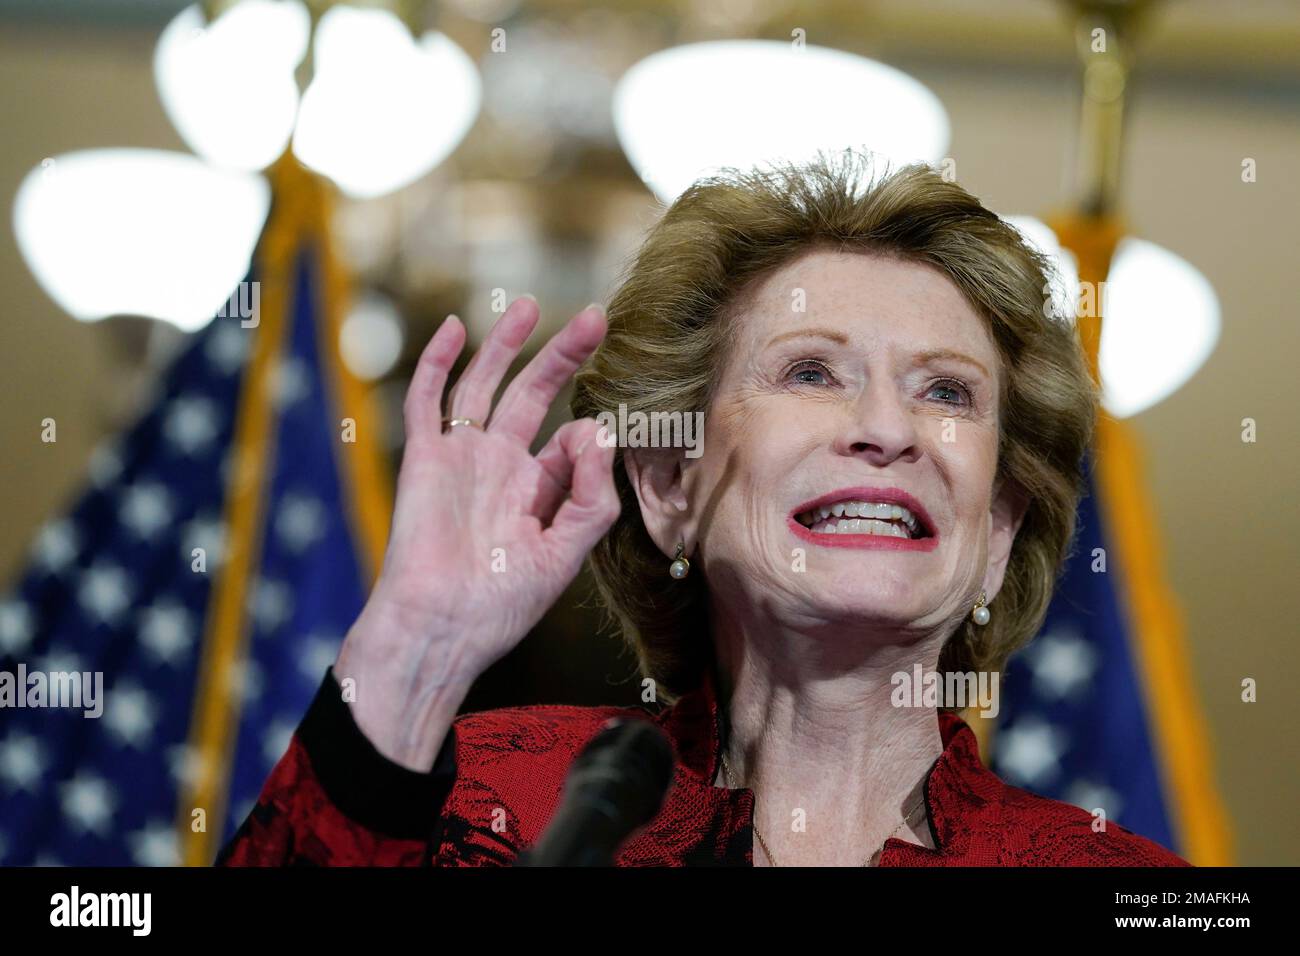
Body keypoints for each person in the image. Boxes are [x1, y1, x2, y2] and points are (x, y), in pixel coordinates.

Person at [218, 150, 1189, 867]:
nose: (887, 426)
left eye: (946, 391)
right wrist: (413, 653)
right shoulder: (481, 805)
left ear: (998, 532)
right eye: (811, 369)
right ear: (670, 486)